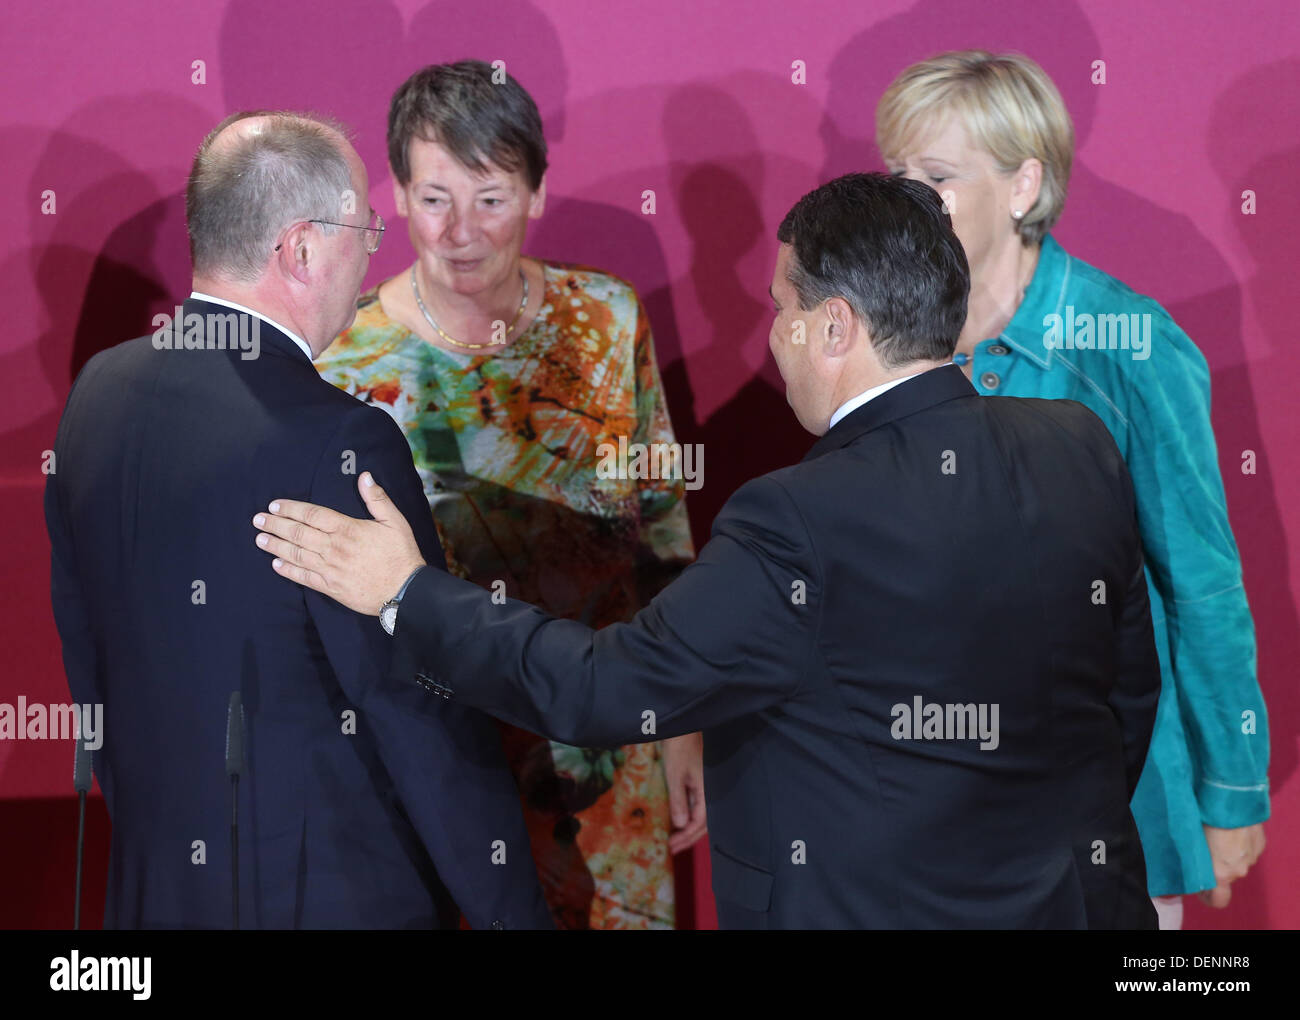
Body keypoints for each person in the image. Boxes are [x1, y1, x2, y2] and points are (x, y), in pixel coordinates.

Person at [254, 172, 1162, 929]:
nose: (773, 337)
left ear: (835, 328)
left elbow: (601, 687)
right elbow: (1124, 697)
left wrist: (405, 592)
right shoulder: (1077, 445)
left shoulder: (798, 519)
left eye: (782, 310)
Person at [45, 111, 551, 929]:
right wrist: (513, 913)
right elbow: (417, 711)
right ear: (302, 248)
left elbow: (86, 654)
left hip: (152, 892)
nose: (374, 252)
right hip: (328, 898)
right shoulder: (340, 440)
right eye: (365, 229)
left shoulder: (95, 395)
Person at [875, 50, 1268, 929]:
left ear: (1023, 187)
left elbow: (1199, 580)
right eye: (896, 173)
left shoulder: (1128, 345)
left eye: (934, 176)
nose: (905, 196)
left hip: (1109, 798)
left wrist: (1232, 792)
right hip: (936, 798)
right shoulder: (884, 335)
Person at [312, 61, 702, 930]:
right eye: (433, 198)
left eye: (490, 197)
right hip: (434, 757)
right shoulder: (340, 360)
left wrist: (685, 721)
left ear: (535, 192)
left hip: (609, 740)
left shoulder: (608, 317)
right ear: (397, 197)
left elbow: (663, 522)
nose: (460, 233)